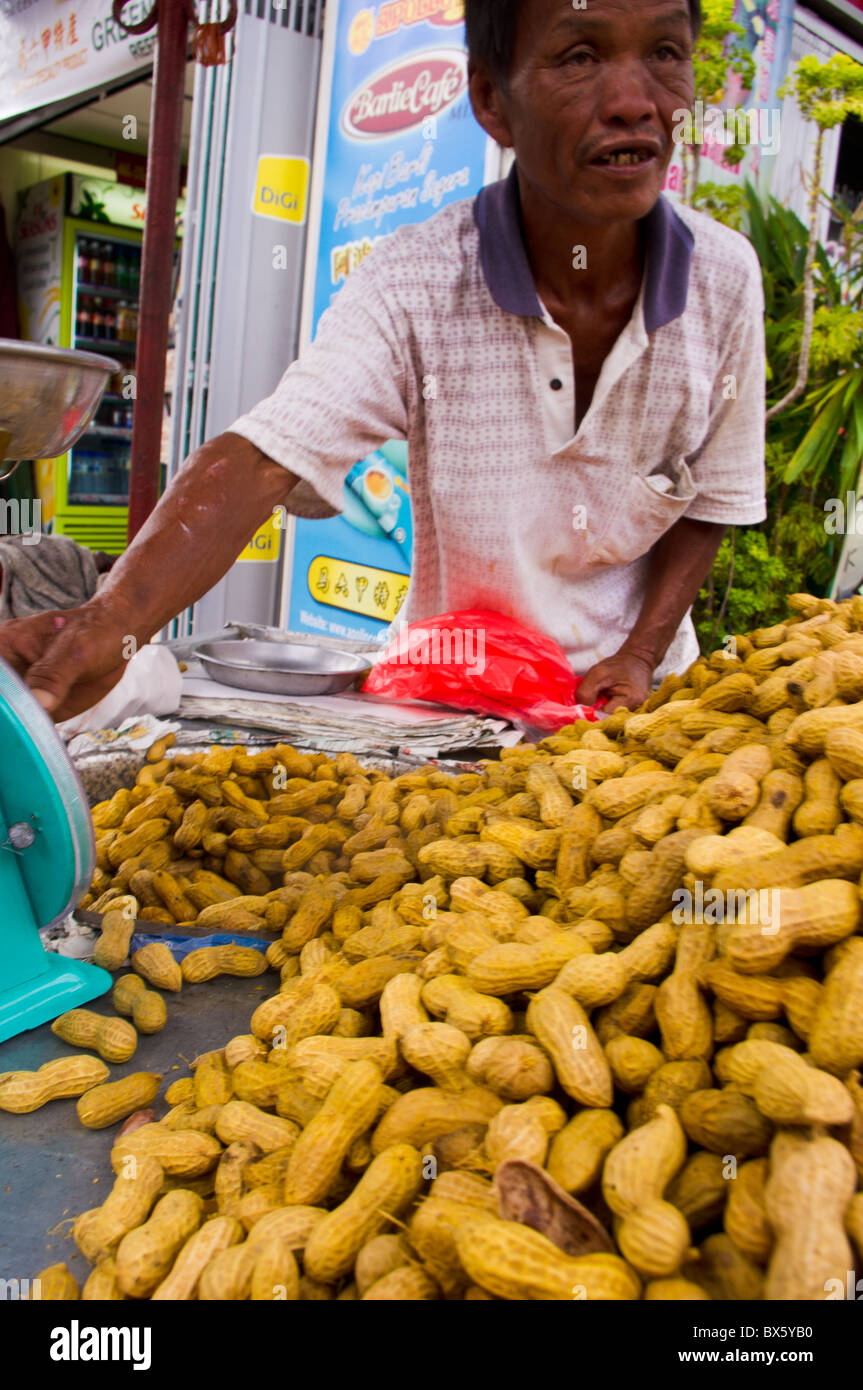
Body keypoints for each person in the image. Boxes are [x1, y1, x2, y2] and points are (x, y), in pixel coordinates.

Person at [0, 0, 765, 721]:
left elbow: (709, 502)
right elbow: (269, 453)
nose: (634, 100)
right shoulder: (416, 281)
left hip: (635, 699)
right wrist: (116, 622)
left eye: (664, 52)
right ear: (492, 102)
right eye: (579, 56)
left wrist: (638, 654)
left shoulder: (725, 279)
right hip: (454, 695)